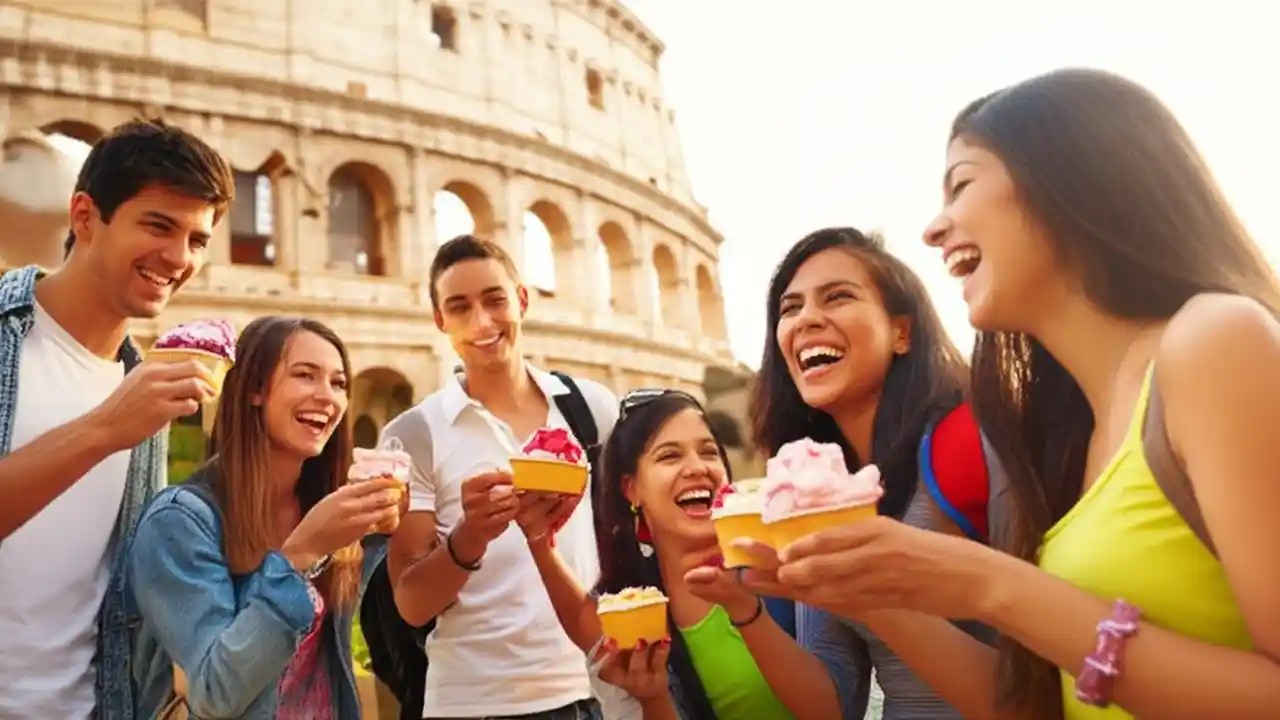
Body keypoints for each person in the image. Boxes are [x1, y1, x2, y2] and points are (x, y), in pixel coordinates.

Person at [752, 68, 1280, 719]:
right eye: (789, 308)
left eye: (962, 184)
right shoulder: (1066, 431)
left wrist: (990, 584)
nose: (934, 229)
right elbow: (1027, 707)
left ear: (1070, 180)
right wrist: (871, 596)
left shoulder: (1214, 340)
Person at [0, 118, 233, 719]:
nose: (178, 258)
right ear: (84, 217)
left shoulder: (145, 385)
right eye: (158, 225)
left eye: (197, 239)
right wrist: (103, 430)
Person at [738, 226, 991, 719]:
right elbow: (834, 703)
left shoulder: (975, 442)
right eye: (790, 308)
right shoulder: (811, 495)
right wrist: (742, 608)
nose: (807, 319)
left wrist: (864, 594)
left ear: (902, 333)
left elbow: (1044, 686)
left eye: (838, 296)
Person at [384, 234, 621, 719]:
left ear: (522, 300)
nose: (481, 323)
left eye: (495, 300)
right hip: (475, 702)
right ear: (439, 320)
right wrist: (471, 534)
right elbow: (411, 604)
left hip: (597, 686)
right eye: (459, 307)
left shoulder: (591, 409)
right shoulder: (414, 434)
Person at [521, 388, 858, 720]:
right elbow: (577, 612)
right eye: (669, 456)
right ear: (631, 489)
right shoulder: (629, 616)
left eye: (709, 452)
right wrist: (653, 697)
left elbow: (831, 712)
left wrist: (745, 609)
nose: (697, 467)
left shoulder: (784, 563)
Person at [126, 316, 403, 718]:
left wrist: (378, 532)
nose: (327, 396)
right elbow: (215, 692)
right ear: (255, 389)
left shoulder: (320, 505)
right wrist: (299, 555)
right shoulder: (180, 522)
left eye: (339, 383)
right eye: (305, 375)